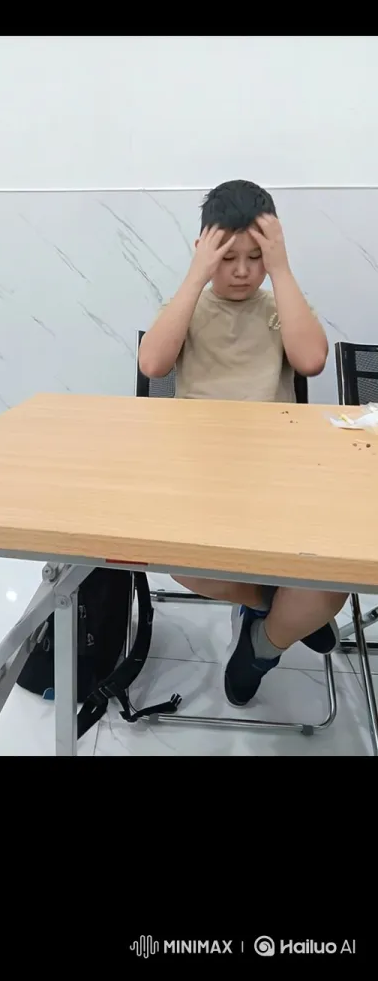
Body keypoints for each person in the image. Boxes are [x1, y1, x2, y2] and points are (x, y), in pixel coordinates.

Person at [138, 179, 345, 707]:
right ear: (207, 254)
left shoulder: (278, 305)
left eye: (256, 257)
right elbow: (153, 364)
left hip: (277, 472)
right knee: (183, 563)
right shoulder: (191, 305)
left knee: (331, 584)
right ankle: (281, 614)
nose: (241, 270)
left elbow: (312, 360)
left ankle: (263, 644)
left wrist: (282, 269)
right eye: (228, 257)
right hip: (201, 472)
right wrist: (194, 276)